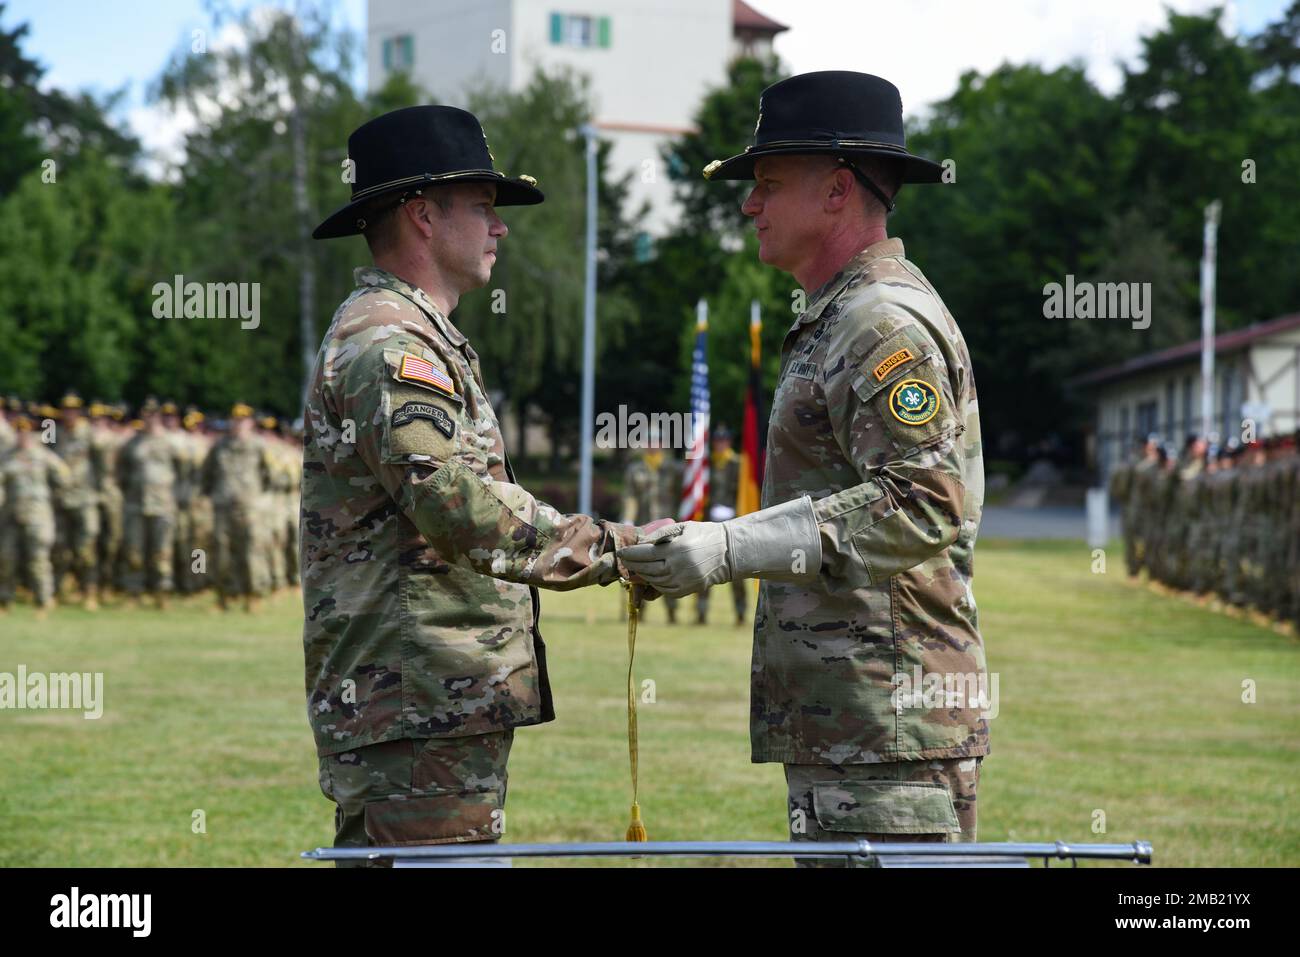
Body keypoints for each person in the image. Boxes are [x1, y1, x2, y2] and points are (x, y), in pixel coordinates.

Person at [622, 72, 989, 862]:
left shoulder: (877, 321)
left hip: (888, 723)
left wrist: (728, 548)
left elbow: (928, 504)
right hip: (858, 717)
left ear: (835, 190)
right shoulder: (841, 315)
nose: (749, 204)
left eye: (766, 183)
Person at [303, 105, 641, 864]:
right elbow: (453, 502)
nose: (502, 227)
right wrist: (608, 547)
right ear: (423, 216)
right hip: (416, 700)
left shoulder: (414, 335)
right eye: (485, 207)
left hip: (427, 700)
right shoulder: (390, 342)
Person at [698, 425, 749, 626]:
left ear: (729, 442)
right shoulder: (706, 465)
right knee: (705, 570)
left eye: (724, 440)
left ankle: (740, 613)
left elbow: (744, 494)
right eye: (717, 441)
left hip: (732, 524)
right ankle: (701, 612)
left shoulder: (738, 464)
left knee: (736, 571)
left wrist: (734, 512)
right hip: (709, 524)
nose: (720, 444)